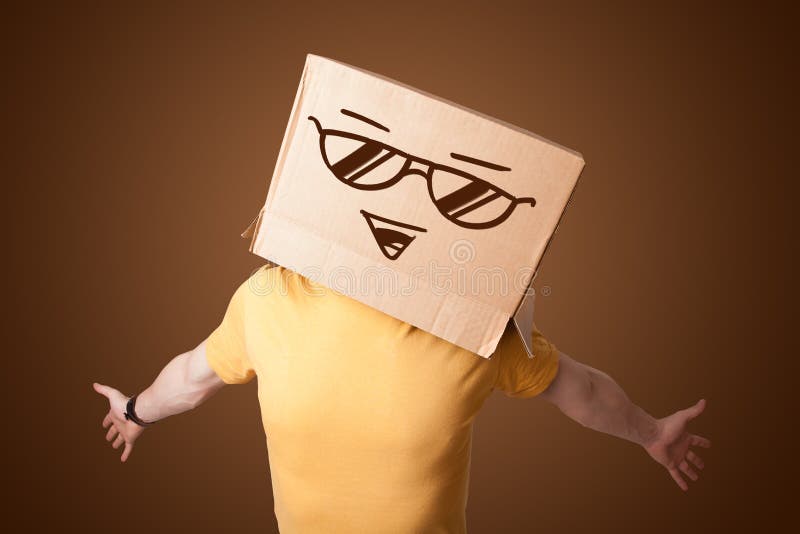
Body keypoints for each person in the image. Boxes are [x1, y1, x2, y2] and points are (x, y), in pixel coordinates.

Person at [93, 265, 711, 533]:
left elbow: (190, 379)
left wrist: (135, 411)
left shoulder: (476, 327)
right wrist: (134, 411)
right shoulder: (268, 298)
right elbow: (582, 389)